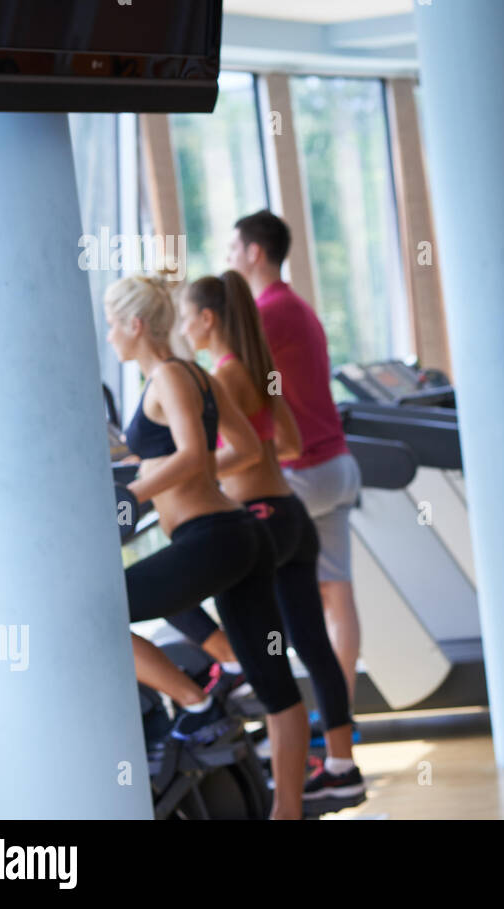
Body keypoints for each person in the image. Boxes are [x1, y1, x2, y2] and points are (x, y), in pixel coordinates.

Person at [105, 274, 309, 820]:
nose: (108, 336)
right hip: (238, 537)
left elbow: (193, 454)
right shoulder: (196, 375)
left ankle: (197, 705)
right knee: (276, 687)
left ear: (135, 324)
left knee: (99, 613)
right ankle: (285, 814)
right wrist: (155, 477)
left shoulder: (168, 377)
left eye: (110, 323)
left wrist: (136, 493)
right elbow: (242, 449)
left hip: (213, 540)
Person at [167, 271, 366, 806]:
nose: (184, 329)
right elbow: (289, 441)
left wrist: (200, 472)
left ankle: (229, 666)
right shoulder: (260, 369)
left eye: (186, 317)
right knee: (311, 646)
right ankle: (341, 764)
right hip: (291, 515)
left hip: (261, 520)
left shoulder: (222, 377)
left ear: (207, 319)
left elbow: (250, 450)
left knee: (187, 601)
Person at [227, 211, 363, 708]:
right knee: (335, 593)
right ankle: (340, 717)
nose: (228, 259)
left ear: (253, 252)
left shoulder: (264, 311)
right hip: (336, 466)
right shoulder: (298, 307)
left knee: (253, 581)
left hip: (302, 469)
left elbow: (230, 371)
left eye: (231, 249)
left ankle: (269, 704)